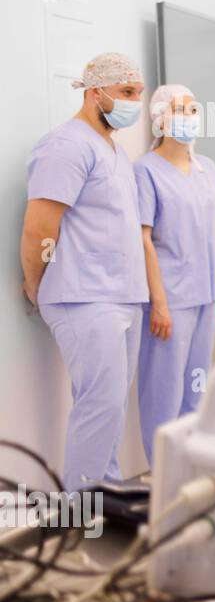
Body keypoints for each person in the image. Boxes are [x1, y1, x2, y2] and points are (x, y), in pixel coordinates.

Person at [21, 53, 149, 487]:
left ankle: (106, 498)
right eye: (127, 92)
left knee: (110, 407)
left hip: (123, 295)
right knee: (99, 405)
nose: (135, 102)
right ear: (96, 92)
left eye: (139, 93)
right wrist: (37, 286)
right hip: (84, 296)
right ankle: (79, 513)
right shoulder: (66, 145)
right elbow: (39, 226)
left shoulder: (112, 149)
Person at [135, 85, 215, 463]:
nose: (190, 117)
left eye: (194, 109)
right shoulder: (145, 171)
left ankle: (191, 473)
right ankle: (162, 479)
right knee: (163, 395)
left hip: (206, 295)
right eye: (181, 110)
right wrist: (158, 302)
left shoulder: (208, 169)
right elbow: (143, 239)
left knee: (197, 391)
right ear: (160, 117)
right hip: (170, 300)